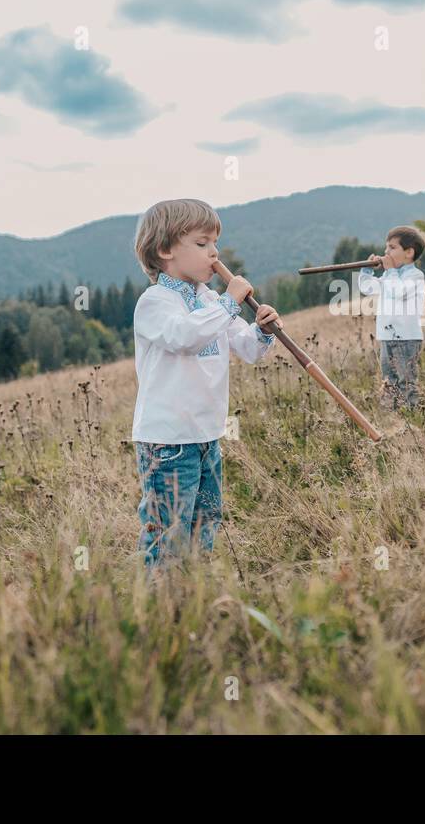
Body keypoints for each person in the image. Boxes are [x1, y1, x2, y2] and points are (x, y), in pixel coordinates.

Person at [129, 198, 280, 569]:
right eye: (201, 244)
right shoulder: (155, 303)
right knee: (169, 534)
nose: (214, 254)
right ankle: (162, 609)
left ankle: (193, 601)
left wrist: (261, 330)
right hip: (168, 441)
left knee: (204, 524)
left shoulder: (208, 298)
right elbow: (184, 337)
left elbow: (245, 348)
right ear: (165, 250)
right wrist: (230, 303)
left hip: (207, 435)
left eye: (214, 244)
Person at [358, 225, 425, 413]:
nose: (386, 252)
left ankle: (410, 418)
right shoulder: (389, 277)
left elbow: (398, 291)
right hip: (387, 337)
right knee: (389, 381)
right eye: (386, 247)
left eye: (392, 247)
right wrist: (366, 271)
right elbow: (368, 288)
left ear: (409, 252)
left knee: (406, 381)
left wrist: (389, 271)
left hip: (406, 339)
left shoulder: (414, 276)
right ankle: (391, 417)